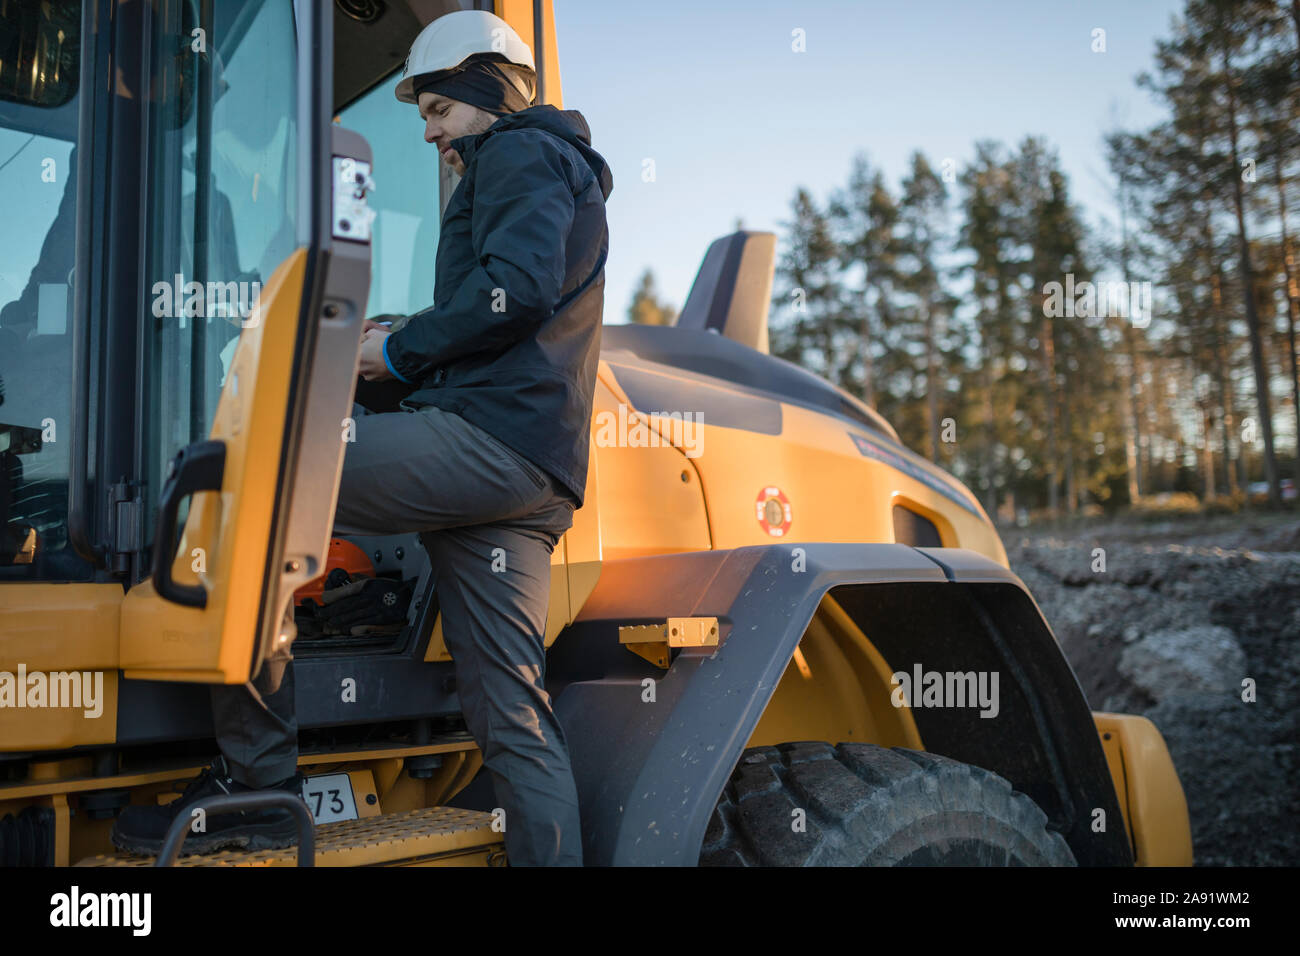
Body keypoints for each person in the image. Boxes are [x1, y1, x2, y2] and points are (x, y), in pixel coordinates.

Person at [110, 10, 612, 867]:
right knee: (511, 709)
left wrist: (391, 350)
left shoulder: (519, 149)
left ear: (482, 87)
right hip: (535, 472)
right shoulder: (558, 168)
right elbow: (515, 311)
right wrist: (406, 339)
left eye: (437, 111)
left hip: (486, 447)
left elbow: (513, 291)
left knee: (253, 489)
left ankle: (258, 786)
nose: (428, 132)